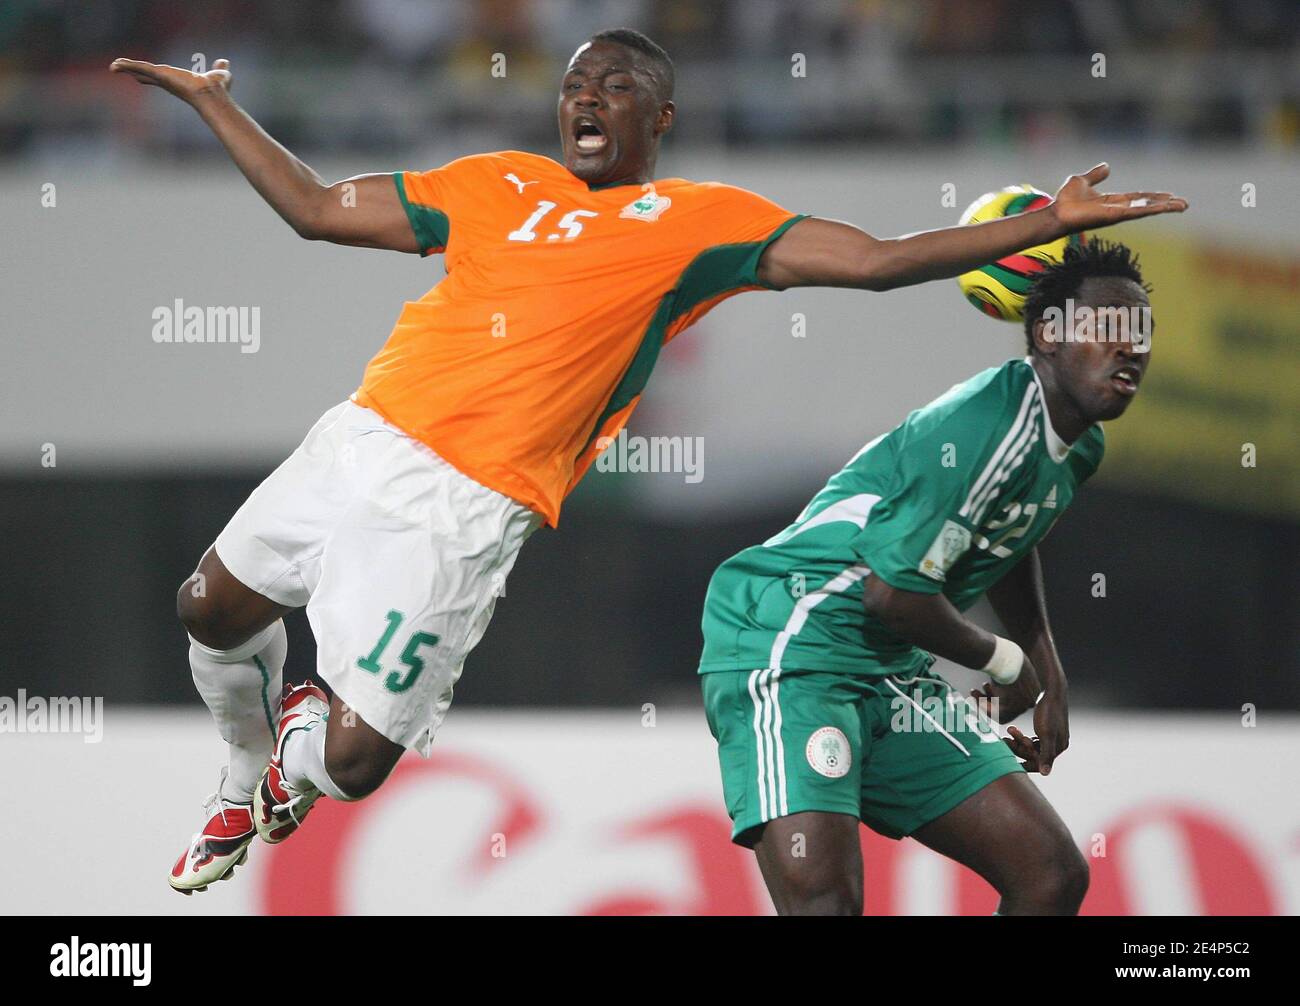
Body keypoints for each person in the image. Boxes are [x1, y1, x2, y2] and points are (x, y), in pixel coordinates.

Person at [108, 30, 1184, 895]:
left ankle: (297, 745)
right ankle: (246, 773)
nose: (585, 93)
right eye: (575, 80)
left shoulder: (697, 223)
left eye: (614, 81)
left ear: (657, 117)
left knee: (350, 766)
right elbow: (312, 208)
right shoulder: (496, 183)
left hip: (465, 510)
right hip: (362, 436)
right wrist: (215, 105)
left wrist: (1048, 222)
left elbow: (873, 264)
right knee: (206, 602)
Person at [698, 240, 1154, 915]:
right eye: (1106, 327)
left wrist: (1044, 664)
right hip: (789, 646)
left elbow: (1006, 537)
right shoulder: (984, 426)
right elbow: (894, 596)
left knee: (1050, 875)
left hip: (886, 661)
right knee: (827, 905)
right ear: (1047, 336)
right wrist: (1003, 663)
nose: (1129, 348)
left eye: (1140, 331)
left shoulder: (1079, 442)